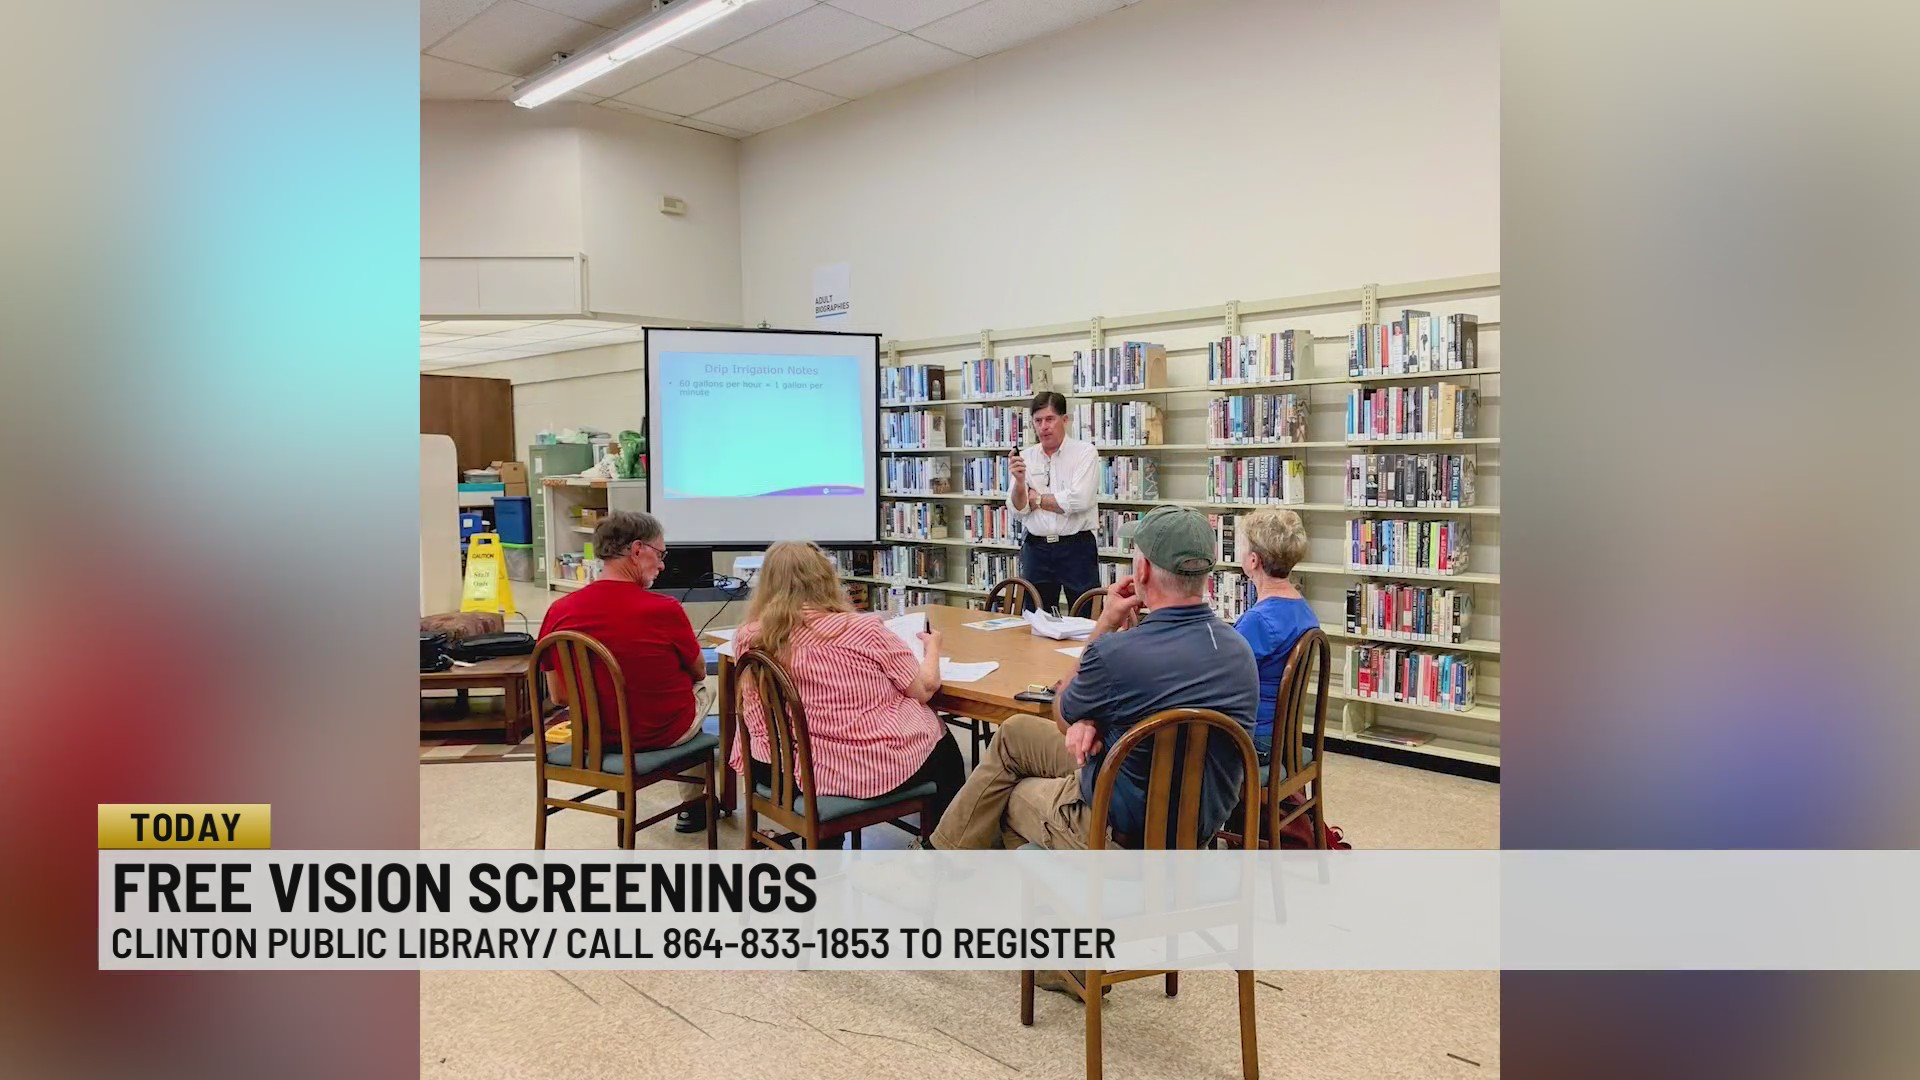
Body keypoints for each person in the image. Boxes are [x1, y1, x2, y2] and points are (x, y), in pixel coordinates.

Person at [930, 505, 1260, 854]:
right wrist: (1095, 721)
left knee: (1009, 797)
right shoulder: (1239, 651)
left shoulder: (1116, 654)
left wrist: (1104, 625)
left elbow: (1061, 710)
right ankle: (947, 852)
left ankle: (961, 863)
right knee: (1014, 733)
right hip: (1194, 825)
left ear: (1143, 570)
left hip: (1119, 832)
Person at [731, 541, 968, 845]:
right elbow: (924, 689)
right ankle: (944, 848)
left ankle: (826, 848)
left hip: (773, 768)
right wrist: (933, 647)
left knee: (823, 734)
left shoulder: (748, 636)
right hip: (853, 771)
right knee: (944, 749)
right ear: (825, 579)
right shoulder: (861, 629)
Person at [537, 510, 715, 833]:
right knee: (707, 688)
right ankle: (695, 804)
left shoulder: (558, 611)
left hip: (592, 739)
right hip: (659, 734)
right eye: (660, 554)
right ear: (636, 550)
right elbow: (699, 671)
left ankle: (694, 805)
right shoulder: (665, 609)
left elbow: (559, 696)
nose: (662, 565)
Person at [1233, 508, 1320, 764]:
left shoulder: (1258, 621)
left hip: (1258, 740)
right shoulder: (1302, 608)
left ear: (1253, 561)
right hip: (1285, 736)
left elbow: (1224, 677)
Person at [1008, 390, 1101, 611]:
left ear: (1064, 420)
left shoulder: (1085, 453)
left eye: (1050, 419)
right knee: (1035, 614)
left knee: (1084, 614)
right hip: (1036, 548)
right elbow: (1018, 509)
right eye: (1038, 421)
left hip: (1076, 547)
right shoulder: (1026, 457)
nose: (1044, 427)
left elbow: (1079, 500)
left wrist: (1037, 499)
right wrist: (1020, 483)